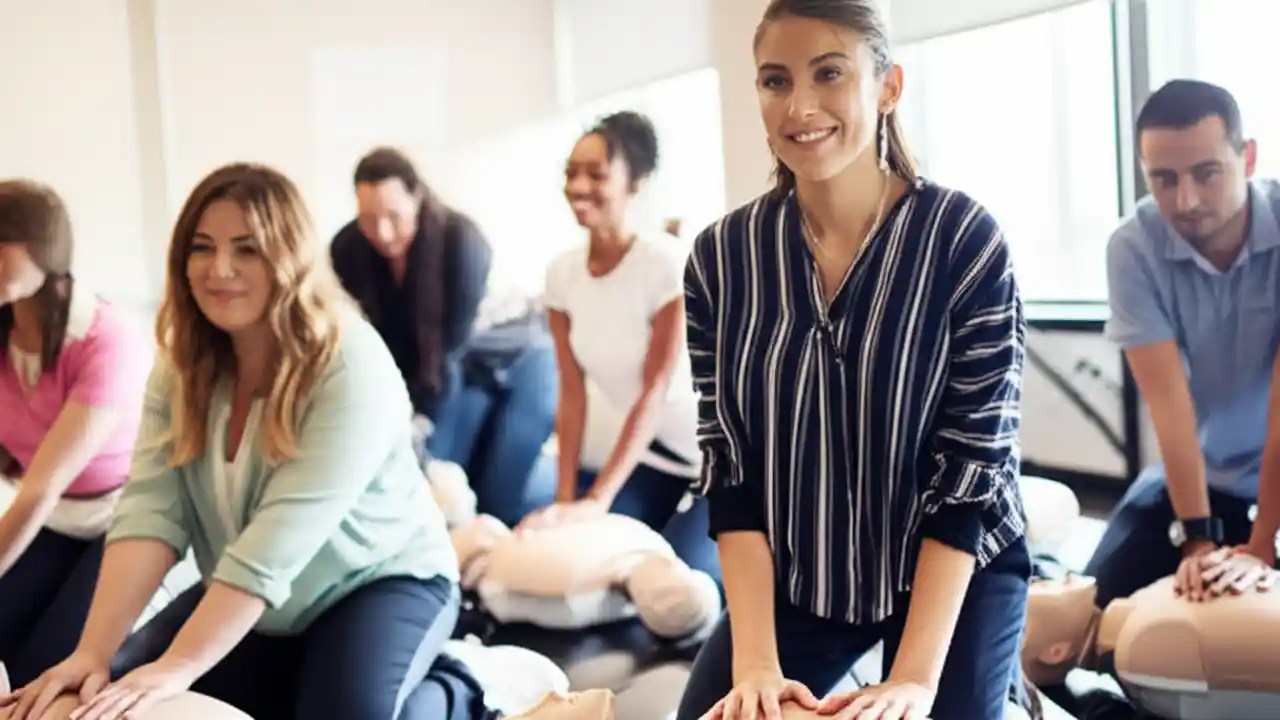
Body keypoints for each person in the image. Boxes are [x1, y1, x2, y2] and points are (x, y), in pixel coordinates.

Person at [672, 2, 1033, 719]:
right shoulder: (720, 260)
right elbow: (731, 470)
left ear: (888, 86)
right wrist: (756, 667)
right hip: (805, 573)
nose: (799, 106)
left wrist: (915, 681)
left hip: (952, 565)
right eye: (775, 82)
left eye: (828, 74)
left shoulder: (964, 242)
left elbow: (968, 481)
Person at [0, 164, 462, 720]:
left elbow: (274, 547)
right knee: (107, 694)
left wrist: (176, 667)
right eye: (203, 247)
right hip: (264, 601)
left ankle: (466, 691)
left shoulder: (350, 366)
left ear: (288, 257)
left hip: (377, 582)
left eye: (248, 249)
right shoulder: (182, 367)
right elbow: (151, 511)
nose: (220, 269)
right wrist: (93, 653)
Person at [1086, 79, 1280, 610]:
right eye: (1164, 180)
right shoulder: (1132, 248)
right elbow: (1170, 407)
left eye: (1206, 173)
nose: (1186, 200)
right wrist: (1198, 539)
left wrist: (1261, 544)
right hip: (1203, 471)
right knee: (1076, 620)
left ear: (1248, 158)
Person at [520, 111, 720, 583]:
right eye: (571, 172)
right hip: (655, 458)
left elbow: (654, 392)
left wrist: (597, 500)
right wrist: (568, 501)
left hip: (719, 457)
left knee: (681, 577)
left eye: (596, 173)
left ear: (637, 182)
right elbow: (571, 394)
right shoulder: (562, 275)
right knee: (606, 567)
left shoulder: (664, 264)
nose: (577, 186)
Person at [330, 148, 558, 527]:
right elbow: (371, 347)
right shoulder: (348, 249)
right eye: (368, 220)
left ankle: (566, 494)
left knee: (496, 498)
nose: (382, 233)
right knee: (442, 478)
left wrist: (416, 424)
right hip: (465, 368)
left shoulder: (462, 242)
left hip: (521, 361)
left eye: (394, 217)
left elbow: (444, 353)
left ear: (417, 198)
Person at [0, 181, 148, 687]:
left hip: (121, 518)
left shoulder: (105, 339)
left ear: (46, 249)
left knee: (47, 663)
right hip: (56, 520)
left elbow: (41, 488)